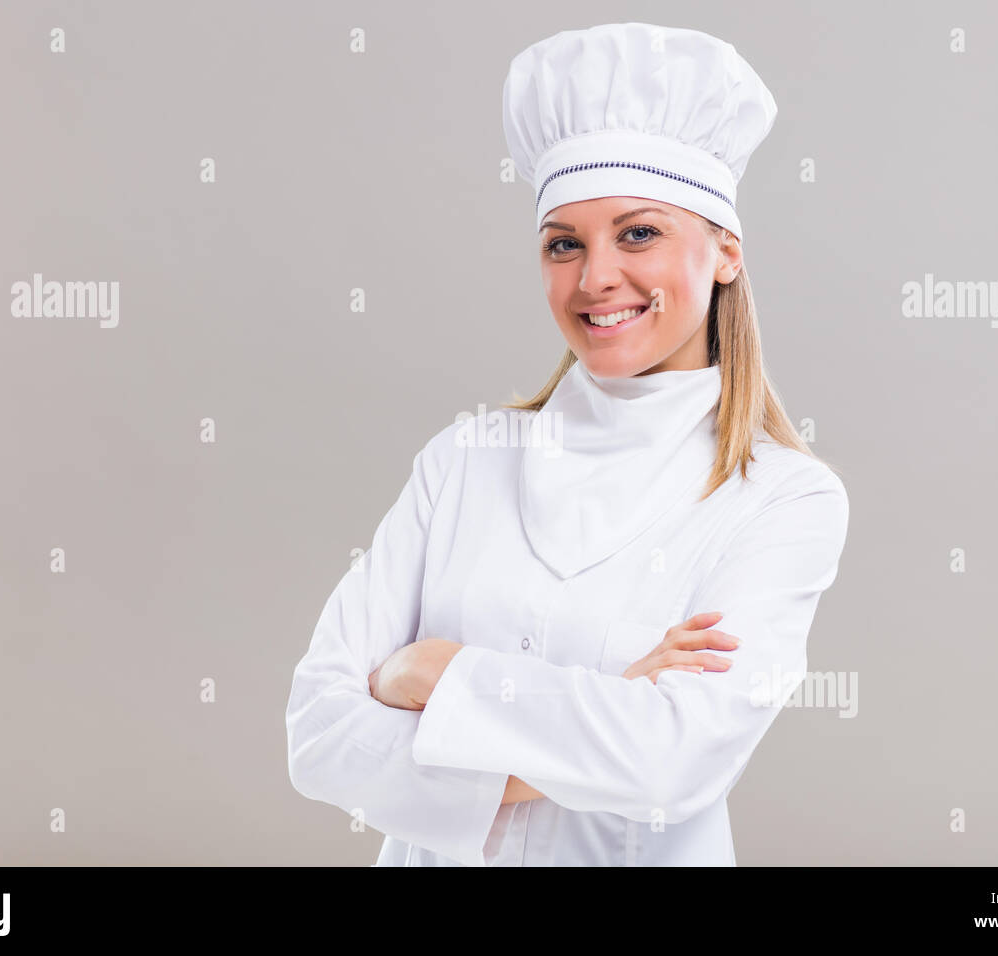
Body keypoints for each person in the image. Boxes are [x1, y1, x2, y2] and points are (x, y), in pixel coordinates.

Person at [286, 21, 850, 866]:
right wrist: (613, 704)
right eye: (564, 244)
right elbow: (319, 736)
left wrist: (431, 675)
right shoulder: (465, 459)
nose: (595, 280)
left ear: (726, 251)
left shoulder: (783, 498)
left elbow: (670, 765)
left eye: (638, 234)